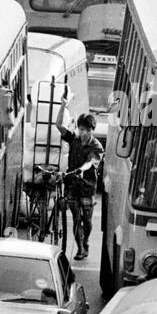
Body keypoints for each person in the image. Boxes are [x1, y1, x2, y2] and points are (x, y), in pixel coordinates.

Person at [54, 100, 103, 261]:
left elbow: (91, 162)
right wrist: (63, 105)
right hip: (72, 185)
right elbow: (59, 125)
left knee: (87, 221)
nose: (83, 133)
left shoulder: (97, 147)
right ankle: (80, 249)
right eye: (81, 129)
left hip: (87, 187)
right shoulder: (74, 140)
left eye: (86, 130)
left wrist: (82, 169)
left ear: (92, 130)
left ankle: (86, 240)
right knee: (76, 218)